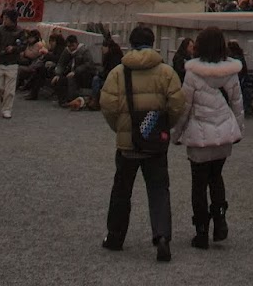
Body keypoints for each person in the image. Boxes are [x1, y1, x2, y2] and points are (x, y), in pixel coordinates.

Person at [99, 23, 185, 261]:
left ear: (131, 43)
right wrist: (163, 125)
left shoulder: (118, 72)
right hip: (155, 141)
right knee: (158, 189)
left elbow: (107, 105)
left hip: (128, 142)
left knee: (121, 190)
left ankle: (115, 236)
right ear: (153, 43)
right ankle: (162, 236)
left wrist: (120, 127)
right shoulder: (166, 72)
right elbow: (177, 104)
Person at [173, 25, 244, 250]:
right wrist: (237, 130)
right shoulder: (230, 72)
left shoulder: (193, 74)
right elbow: (237, 103)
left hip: (199, 135)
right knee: (216, 178)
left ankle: (201, 230)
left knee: (198, 183)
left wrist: (176, 134)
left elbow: (184, 108)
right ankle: (220, 219)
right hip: (223, 134)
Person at [0, 9, 23, 119]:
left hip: (13, 62)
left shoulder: (20, 31)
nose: (4, 20)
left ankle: (7, 109)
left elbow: (23, 45)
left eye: (6, 18)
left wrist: (14, 48)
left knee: (10, 89)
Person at [54, 33, 95, 105]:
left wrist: (75, 71)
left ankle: (70, 98)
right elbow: (61, 63)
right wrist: (58, 73)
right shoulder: (67, 51)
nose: (71, 48)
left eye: (72, 46)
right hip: (69, 71)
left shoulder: (84, 51)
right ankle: (62, 100)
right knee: (61, 79)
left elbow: (88, 64)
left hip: (82, 73)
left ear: (76, 44)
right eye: (69, 46)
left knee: (71, 79)